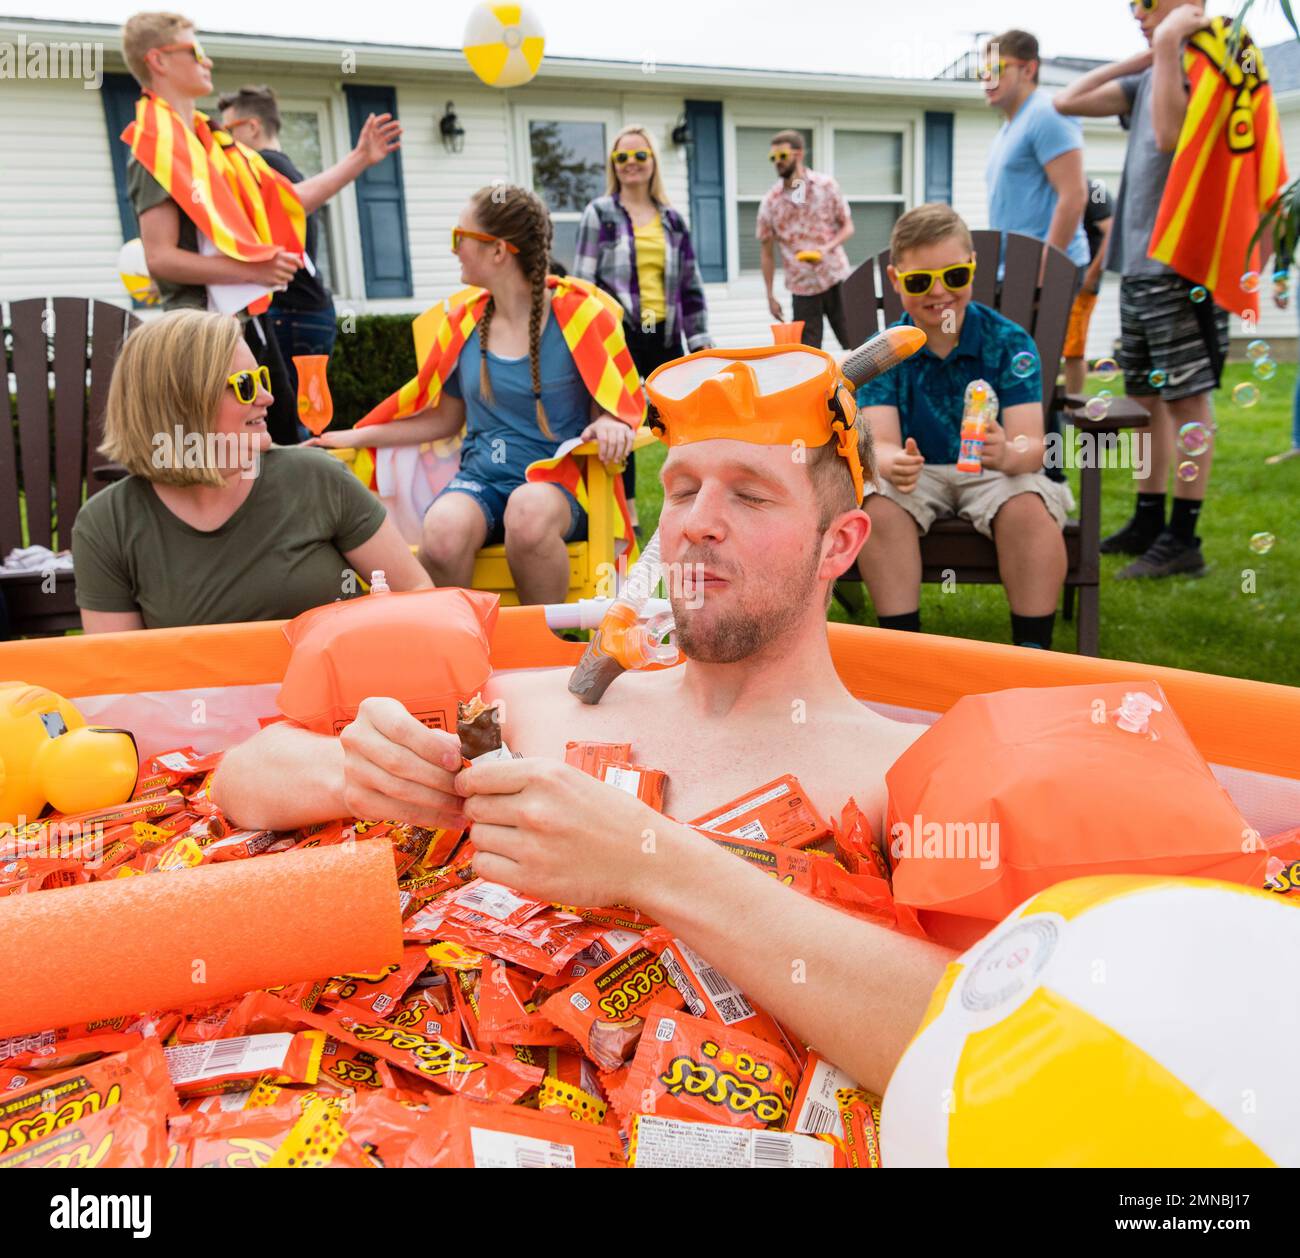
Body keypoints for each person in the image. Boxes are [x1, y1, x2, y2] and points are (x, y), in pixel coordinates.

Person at [213, 341, 957, 1097]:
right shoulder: (542, 707)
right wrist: (357, 773)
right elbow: (241, 778)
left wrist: (648, 864)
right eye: (683, 488)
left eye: (751, 495)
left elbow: (977, 1043)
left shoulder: (899, 769)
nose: (698, 523)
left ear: (840, 543)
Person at [310, 185, 640, 605]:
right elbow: (443, 419)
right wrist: (354, 437)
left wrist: (611, 422)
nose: (455, 249)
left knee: (526, 513)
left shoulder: (581, 317)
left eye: (460, 238)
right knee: (443, 530)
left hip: (561, 484)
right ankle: (461, 647)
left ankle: (539, 650)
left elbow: (615, 401)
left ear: (498, 251)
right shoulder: (463, 323)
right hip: (482, 479)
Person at [119, 13, 399, 446]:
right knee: (233, 457)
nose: (207, 62)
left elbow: (288, 202)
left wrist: (360, 159)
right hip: (200, 336)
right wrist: (253, 270)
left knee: (281, 435)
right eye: (194, 50)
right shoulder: (154, 148)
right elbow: (160, 257)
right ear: (157, 60)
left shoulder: (210, 144)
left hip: (247, 321)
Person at [70, 310, 429, 632]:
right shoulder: (107, 524)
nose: (266, 397)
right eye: (243, 386)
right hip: (199, 707)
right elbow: (118, 675)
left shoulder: (317, 478)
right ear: (183, 401)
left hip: (340, 703)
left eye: (261, 378)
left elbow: (418, 596)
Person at [1056, 0, 1237, 578]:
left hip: (1185, 264)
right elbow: (1068, 100)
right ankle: (1148, 519)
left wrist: (1163, 50)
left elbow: (1167, 134)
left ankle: (1184, 538)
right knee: (1150, 398)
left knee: (1186, 400)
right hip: (1139, 263)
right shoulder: (1153, 67)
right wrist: (1140, 56)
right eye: (1131, 3)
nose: (1138, 10)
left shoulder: (1212, 64)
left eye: (1149, 2)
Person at [853, 203, 1073, 651]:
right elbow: (882, 444)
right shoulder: (885, 353)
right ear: (896, 282)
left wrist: (1010, 453)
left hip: (994, 474)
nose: (939, 293)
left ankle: (1032, 650)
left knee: (1029, 509)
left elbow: (1032, 443)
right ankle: (903, 647)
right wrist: (896, 463)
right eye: (919, 282)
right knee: (878, 509)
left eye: (953, 276)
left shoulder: (1009, 342)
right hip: (920, 476)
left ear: (972, 268)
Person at [218, 84, 394, 435]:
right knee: (304, 412)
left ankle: (309, 484)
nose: (224, 142)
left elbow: (294, 203)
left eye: (228, 131)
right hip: (307, 310)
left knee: (288, 416)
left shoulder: (264, 166)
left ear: (252, 127)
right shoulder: (282, 167)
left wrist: (358, 158)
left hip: (292, 313)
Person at [573, 125, 713, 519]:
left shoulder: (672, 220)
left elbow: (691, 287)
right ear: (613, 166)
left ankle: (690, 504)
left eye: (640, 156)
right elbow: (583, 286)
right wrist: (586, 346)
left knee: (683, 425)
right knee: (623, 422)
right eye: (622, 158)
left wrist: (701, 343)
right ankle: (628, 515)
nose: (631, 164)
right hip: (619, 336)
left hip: (666, 336)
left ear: (653, 163)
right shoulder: (599, 214)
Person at [983, 30, 1089, 279]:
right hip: (1014, 271)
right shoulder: (1007, 129)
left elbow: (1074, 195)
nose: (988, 78)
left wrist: (1045, 271)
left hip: (1045, 272)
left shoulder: (1045, 114)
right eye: (983, 71)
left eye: (997, 68)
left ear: (1028, 70)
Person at [758, 130, 855, 350]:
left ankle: (865, 386)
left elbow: (848, 227)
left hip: (835, 277)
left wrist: (826, 248)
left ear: (799, 153)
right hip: (801, 287)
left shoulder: (826, 186)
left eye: (782, 156)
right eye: (773, 158)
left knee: (856, 343)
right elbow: (766, 252)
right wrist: (770, 296)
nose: (778, 163)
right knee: (807, 354)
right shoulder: (770, 202)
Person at [1064, 179, 1116, 396]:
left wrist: (1091, 275)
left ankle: (1071, 406)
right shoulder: (1057, 192)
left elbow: (1110, 233)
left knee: (1073, 351)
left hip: (1082, 286)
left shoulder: (1095, 191)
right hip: (1059, 282)